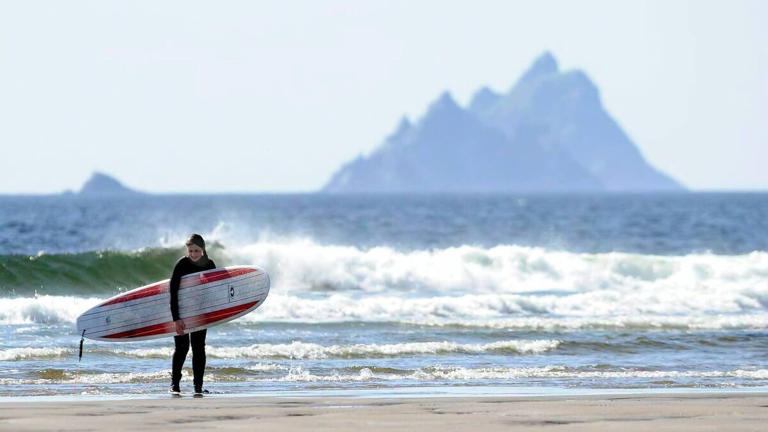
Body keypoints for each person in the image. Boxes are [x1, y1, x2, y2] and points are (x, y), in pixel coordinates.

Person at [169, 233, 216, 396]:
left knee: (198, 348)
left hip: (199, 313)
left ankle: (198, 386)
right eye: (190, 251)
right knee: (181, 347)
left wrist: (212, 314)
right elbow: (173, 292)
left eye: (196, 251)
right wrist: (176, 319)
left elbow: (213, 291)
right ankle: (175, 384)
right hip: (181, 312)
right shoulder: (181, 264)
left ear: (202, 249)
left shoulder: (209, 264)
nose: (193, 254)